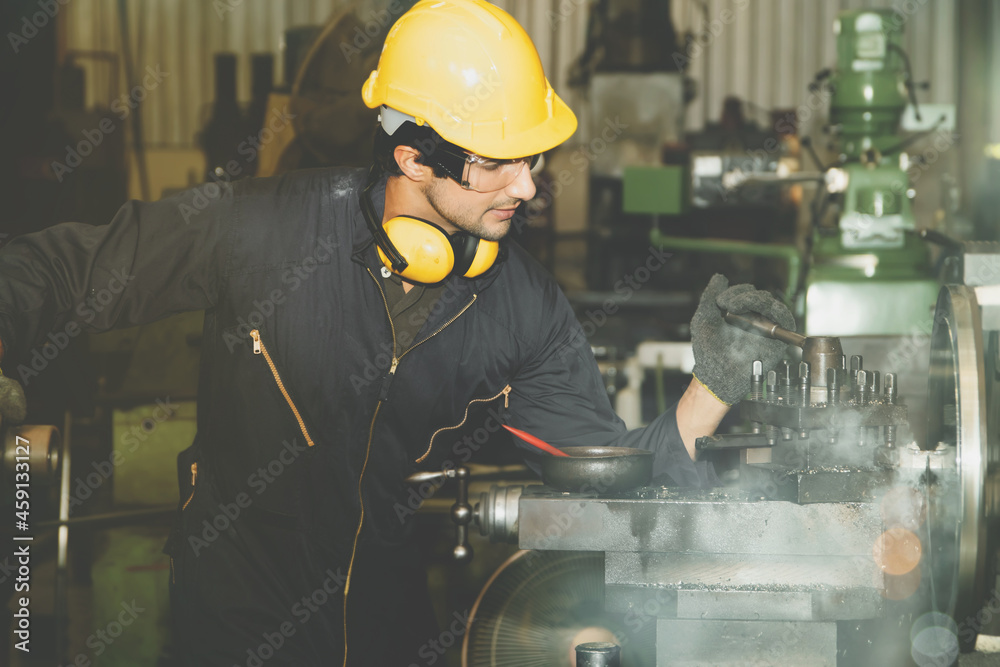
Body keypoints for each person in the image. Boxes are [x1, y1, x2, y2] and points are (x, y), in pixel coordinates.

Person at [0, 0, 793, 664]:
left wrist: (712, 387)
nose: (531, 184)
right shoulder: (256, 231)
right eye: (501, 162)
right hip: (233, 626)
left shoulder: (521, 305)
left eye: (534, 158)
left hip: (390, 627)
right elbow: (66, 269)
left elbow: (608, 477)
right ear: (413, 158)